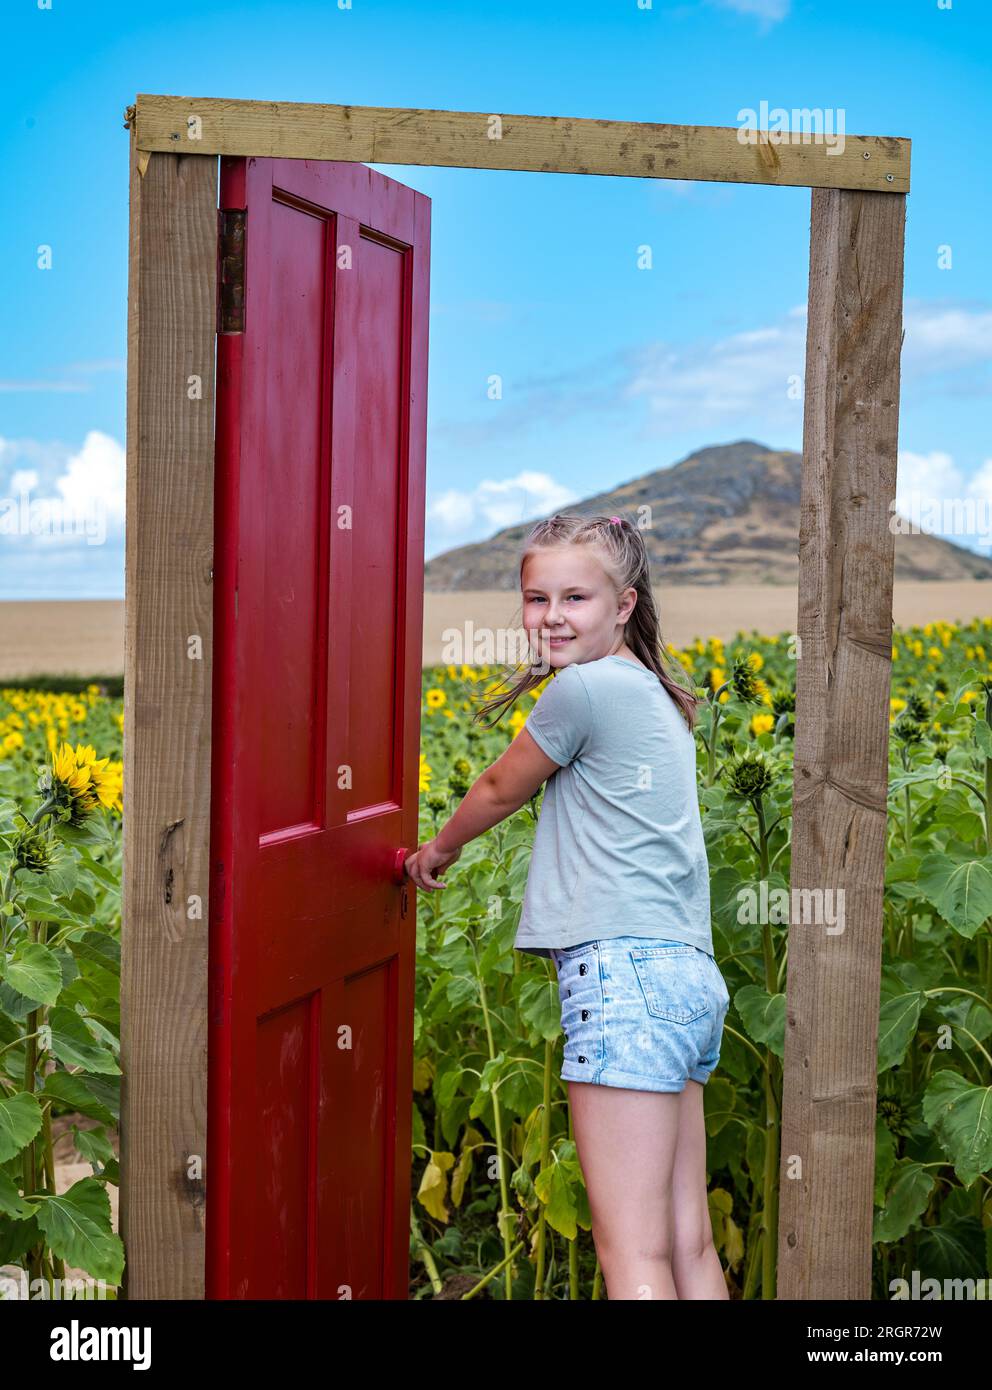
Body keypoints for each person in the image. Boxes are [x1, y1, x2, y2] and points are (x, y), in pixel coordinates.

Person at [404, 512, 730, 1300]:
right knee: (688, 1244)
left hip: (624, 981)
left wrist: (436, 849)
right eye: (536, 598)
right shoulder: (657, 695)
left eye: (574, 598)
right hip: (688, 981)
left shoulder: (582, 688)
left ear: (624, 605)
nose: (551, 616)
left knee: (633, 1254)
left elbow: (498, 786)